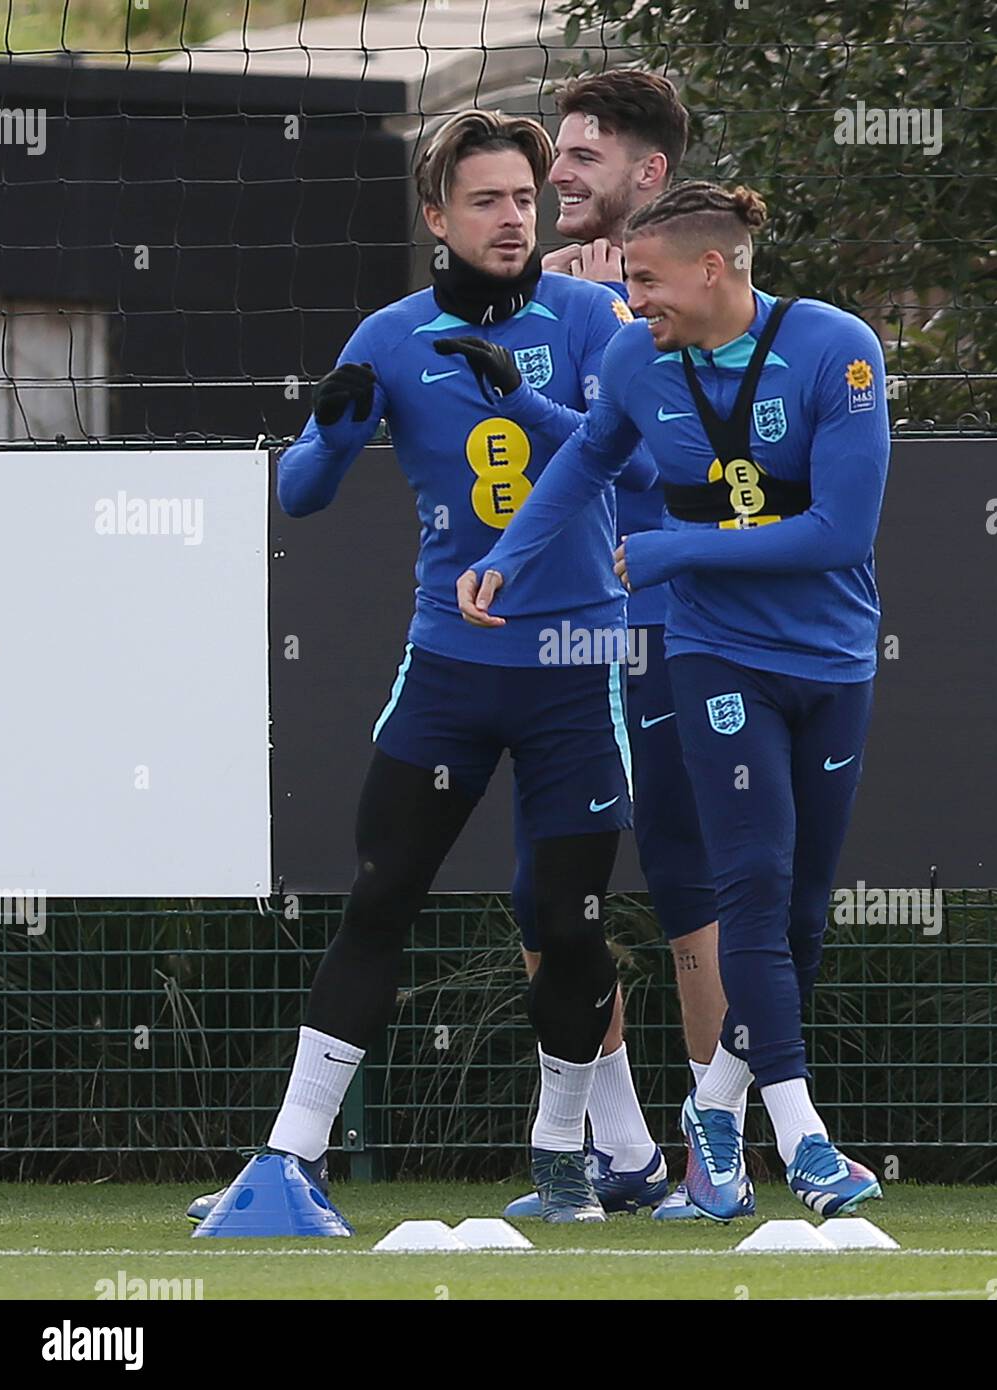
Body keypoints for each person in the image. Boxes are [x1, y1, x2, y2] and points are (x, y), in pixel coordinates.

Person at [189, 109, 657, 1227]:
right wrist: (336, 431)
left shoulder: (594, 317)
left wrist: (524, 401)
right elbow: (300, 489)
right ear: (436, 216)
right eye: (487, 201)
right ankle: (287, 1163)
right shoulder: (390, 335)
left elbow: (629, 468)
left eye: (523, 198)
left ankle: (565, 1172)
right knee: (379, 898)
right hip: (448, 664)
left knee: (570, 920)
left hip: (573, 658)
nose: (512, 219)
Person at [457, 180, 890, 1221]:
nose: (629, 298)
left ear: (713, 268)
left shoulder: (836, 350)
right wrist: (507, 559)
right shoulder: (631, 358)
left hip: (830, 661)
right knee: (747, 883)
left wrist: (672, 547)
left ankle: (712, 1103)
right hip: (713, 656)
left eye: (643, 279)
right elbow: (584, 458)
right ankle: (807, 1143)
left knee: (798, 918)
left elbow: (839, 534)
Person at [504, 70, 743, 1223]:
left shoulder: (695, 299)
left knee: (693, 886)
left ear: (648, 174)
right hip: (557, 641)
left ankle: (717, 1154)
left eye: (581, 157)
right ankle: (618, 1148)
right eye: (557, 155)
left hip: (670, 634)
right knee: (549, 899)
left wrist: (617, 317)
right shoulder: (531, 290)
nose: (555, 178)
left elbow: (662, 467)